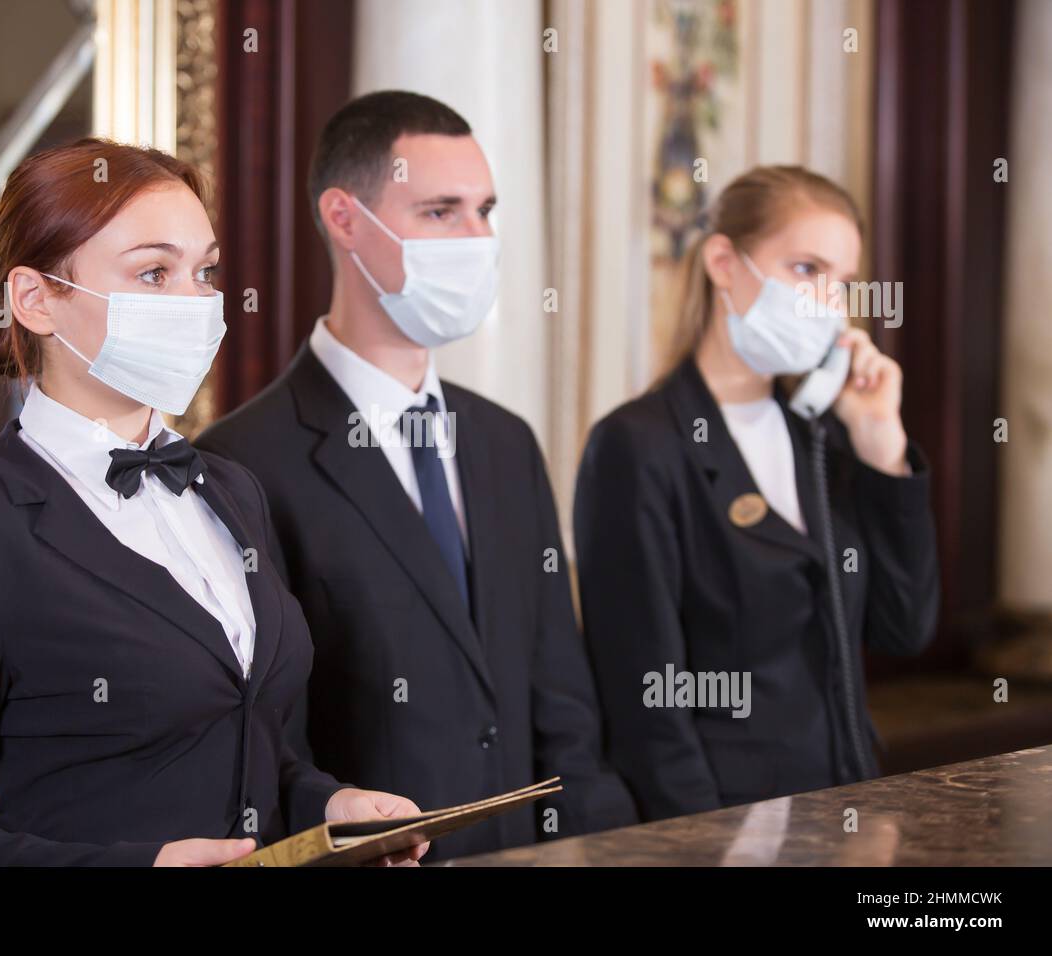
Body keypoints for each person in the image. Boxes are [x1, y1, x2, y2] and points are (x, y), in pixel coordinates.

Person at [0, 138, 426, 866]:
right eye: (154, 273)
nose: (195, 302)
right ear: (34, 299)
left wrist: (329, 807)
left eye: (205, 271)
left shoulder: (231, 491)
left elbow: (248, 746)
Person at [196, 91, 636, 860]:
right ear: (344, 218)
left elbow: (560, 701)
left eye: (485, 210)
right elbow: (270, 740)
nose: (478, 238)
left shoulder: (505, 442)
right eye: (441, 212)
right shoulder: (243, 460)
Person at [574, 165, 940, 822]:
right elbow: (645, 698)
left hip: (847, 805)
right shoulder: (639, 444)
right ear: (724, 262)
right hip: (727, 822)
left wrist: (883, 440)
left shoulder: (822, 436)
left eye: (843, 283)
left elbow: (904, 628)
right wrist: (706, 844)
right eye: (806, 269)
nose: (827, 302)